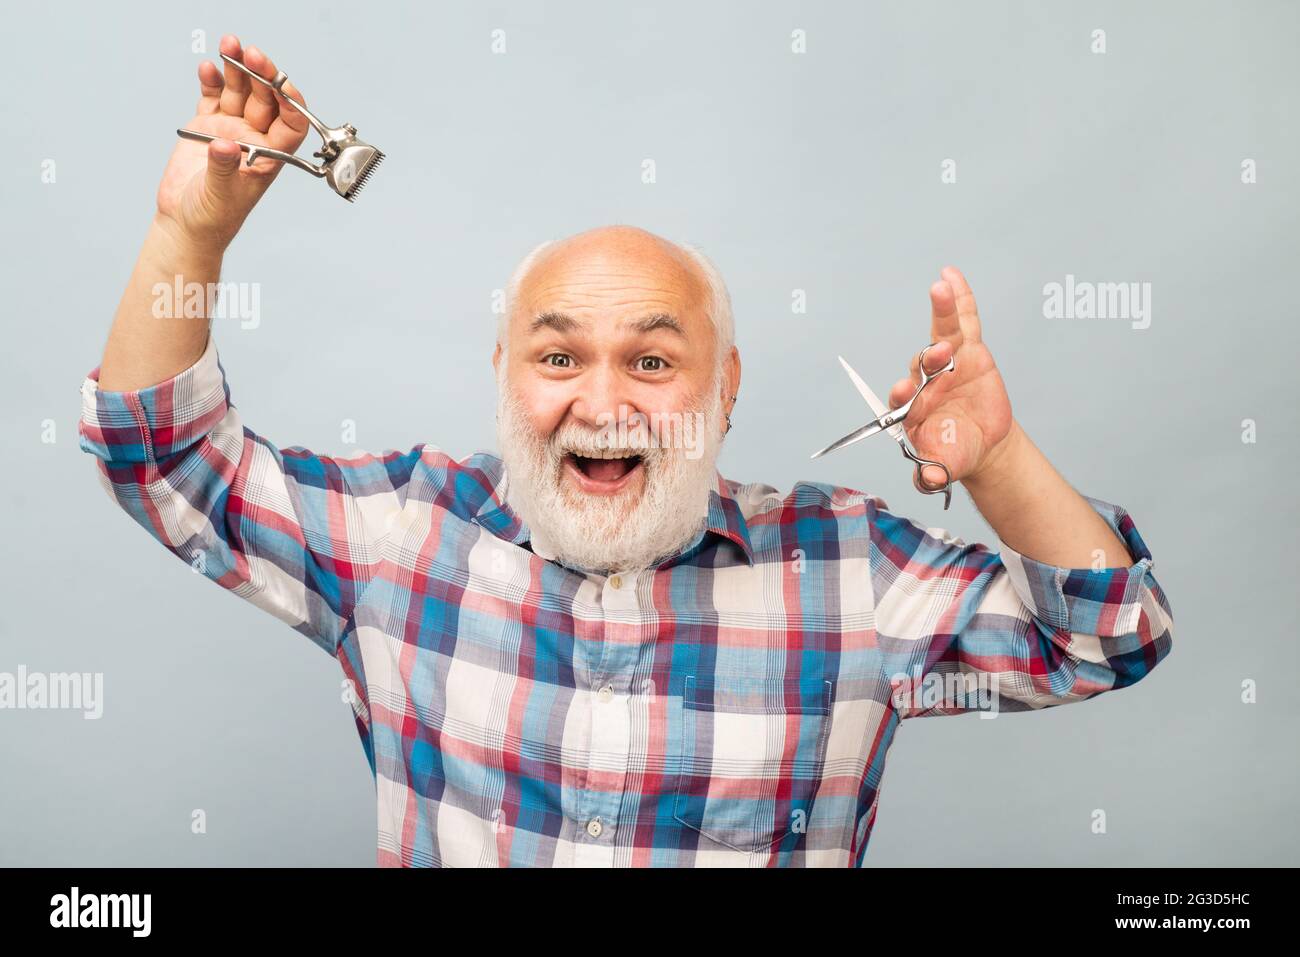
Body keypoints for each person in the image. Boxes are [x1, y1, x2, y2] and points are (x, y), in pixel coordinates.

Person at [78, 35, 1174, 867]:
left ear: (724, 389)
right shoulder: (405, 536)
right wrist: (190, 235)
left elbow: (1107, 639)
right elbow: (163, 463)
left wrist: (995, 459)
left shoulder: (851, 574)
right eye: (558, 359)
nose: (602, 403)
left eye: (652, 363)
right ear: (505, 374)